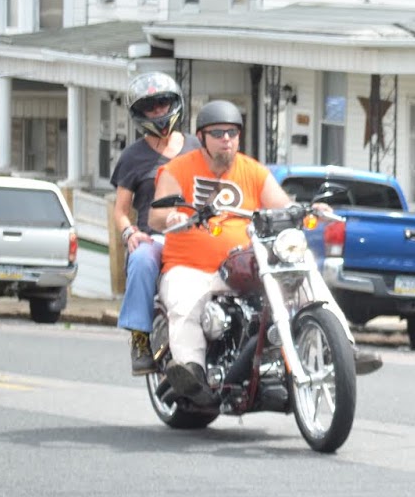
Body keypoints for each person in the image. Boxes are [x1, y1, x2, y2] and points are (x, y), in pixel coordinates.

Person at [148, 99, 296, 405]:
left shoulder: (253, 171)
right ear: (201, 137)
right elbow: (155, 216)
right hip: (190, 267)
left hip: (242, 265)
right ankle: (192, 373)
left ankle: (338, 347)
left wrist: (306, 210)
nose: (226, 139)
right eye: (217, 133)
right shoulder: (178, 169)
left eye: (232, 132)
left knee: (295, 281)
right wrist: (173, 216)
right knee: (184, 304)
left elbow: (283, 205)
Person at [113, 72, 187, 375]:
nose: (158, 111)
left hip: (197, 234)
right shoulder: (132, 156)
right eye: (150, 106)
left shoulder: (197, 147)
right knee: (141, 259)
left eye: (163, 102)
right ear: (139, 113)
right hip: (154, 237)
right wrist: (129, 232)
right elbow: (120, 211)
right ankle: (140, 337)